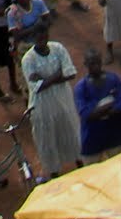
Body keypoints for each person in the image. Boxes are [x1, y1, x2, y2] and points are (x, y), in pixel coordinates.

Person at [21, 26, 81, 179]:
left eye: (44, 34)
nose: (42, 38)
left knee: (71, 129)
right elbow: (36, 87)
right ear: (33, 38)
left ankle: (79, 162)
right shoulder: (28, 59)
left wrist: (45, 78)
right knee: (48, 137)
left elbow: (70, 73)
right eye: (38, 35)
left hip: (63, 99)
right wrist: (57, 74)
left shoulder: (58, 48)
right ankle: (54, 172)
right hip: (42, 105)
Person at [74, 49, 121, 160]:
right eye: (92, 63)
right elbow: (86, 115)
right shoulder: (81, 87)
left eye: (98, 62)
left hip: (115, 137)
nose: (96, 66)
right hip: (92, 140)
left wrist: (96, 111)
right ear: (86, 64)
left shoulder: (113, 79)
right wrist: (110, 105)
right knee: (93, 175)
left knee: (120, 169)